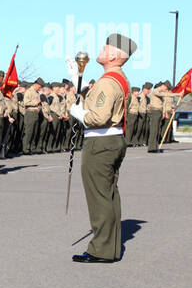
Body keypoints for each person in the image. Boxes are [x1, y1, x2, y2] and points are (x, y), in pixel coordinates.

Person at [73, 34, 135, 263]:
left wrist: (78, 112)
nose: (100, 50)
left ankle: (101, 249)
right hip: (110, 140)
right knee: (108, 194)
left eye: (105, 47)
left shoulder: (108, 81)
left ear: (115, 55)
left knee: (99, 196)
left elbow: (98, 116)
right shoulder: (116, 78)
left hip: (100, 141)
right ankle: (109, 246)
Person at [146, 80, 170, 152]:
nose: (166, 90)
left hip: (159, 112)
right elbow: (165, 95)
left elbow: (162, 104)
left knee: (157, 131)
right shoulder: (156, 91)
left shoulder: (160, 92)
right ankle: (151, 148)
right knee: (154, 130)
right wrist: (177, 94)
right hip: (155, 111)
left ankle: (155, 147)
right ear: (163, 86)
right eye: (166, 88)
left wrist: (163, 113)